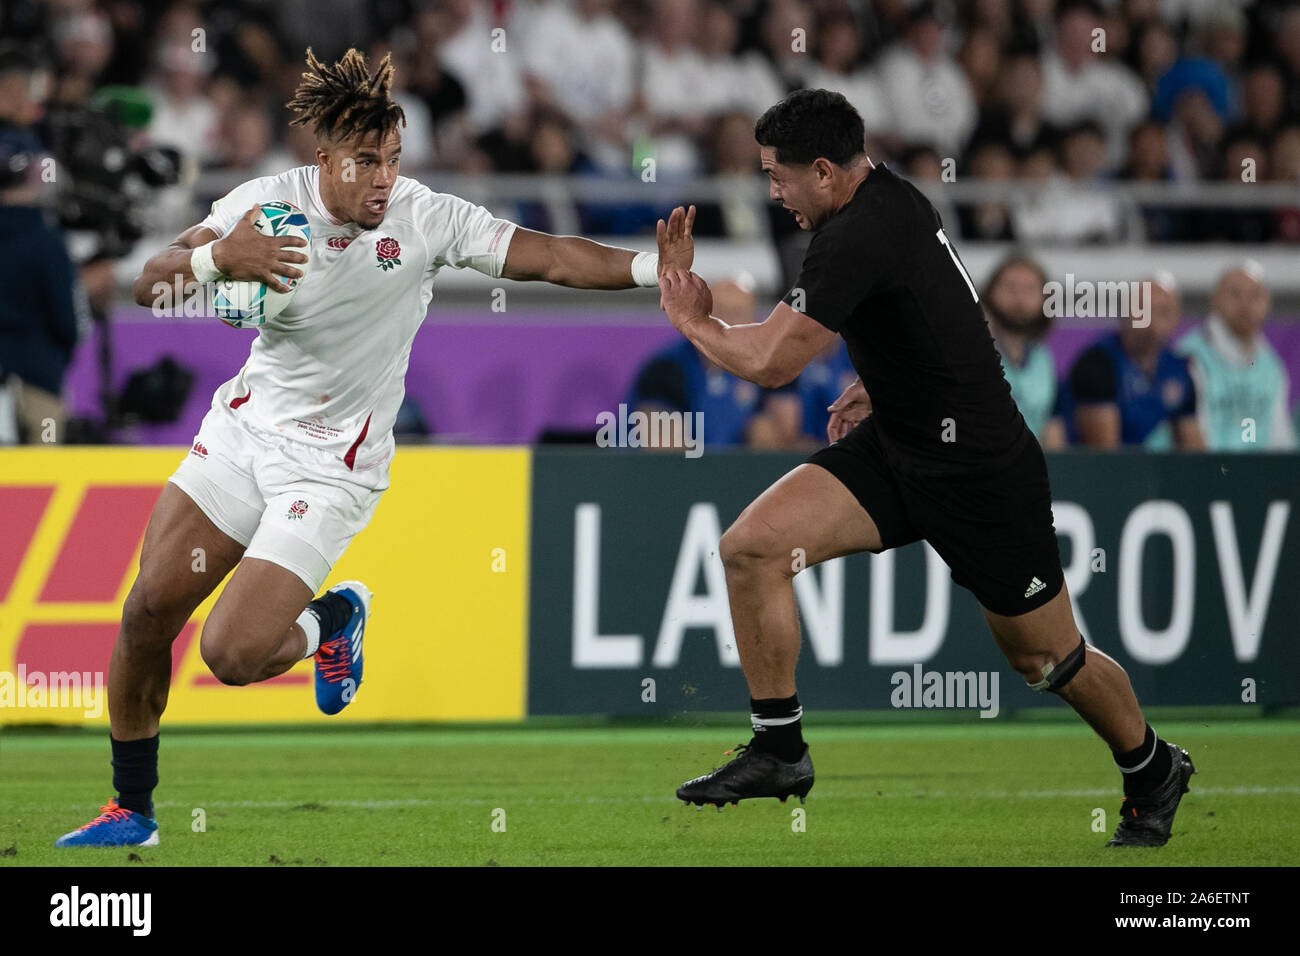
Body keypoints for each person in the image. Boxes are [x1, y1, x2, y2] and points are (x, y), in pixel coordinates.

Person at [55, 47, 693, 848]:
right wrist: (223, 259)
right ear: (323, 159)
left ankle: (331, 623)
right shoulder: (264, 206)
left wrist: (648, 269)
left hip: (329, 468)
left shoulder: (425, 219)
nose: (383, 178)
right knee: (148, 609)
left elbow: (551, 256)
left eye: (393, 159)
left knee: (232, 653)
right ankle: (132, 810)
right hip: (243, 432)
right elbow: (152, 283)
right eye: (365, 162)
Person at [657, 90, 1194, 847]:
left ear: (822, 170)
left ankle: (1152, 768)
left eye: (777, 177)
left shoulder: (855, 236)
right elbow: (947, 307)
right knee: (752, 548)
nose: (772, 194)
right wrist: (883, 381)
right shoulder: (895, 198)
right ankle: (779, 748)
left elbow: (773, 362)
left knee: (1045, 657)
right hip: (899, 442)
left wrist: (691, 319)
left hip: (980, 469)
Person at [1062, 276, 1205, 450]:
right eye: (1143, 310)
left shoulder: (1178, 368)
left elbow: (1194, 449)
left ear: (1176, 318)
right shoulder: (1097, 364)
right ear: (1125, 313)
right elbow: (1105, 455)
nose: (1151, 321)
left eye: (1163, 311)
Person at [1175, 263, 1295, 451]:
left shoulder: (1272, 367)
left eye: (1254, 296)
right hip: (1209, 474)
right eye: (1235, 294)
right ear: (1214, 300)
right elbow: (1191, 438)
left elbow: (1280, 438)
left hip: (1259, 475)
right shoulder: (1189, 357)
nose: (1245, 305)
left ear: (1267, 303)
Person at [982, 253, 1065, 448]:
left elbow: (1052, 430)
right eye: (1009, 288)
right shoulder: (973, 355)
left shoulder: (1044, 360)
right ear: (989, 293)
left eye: (1029, 290)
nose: (1019, 299)